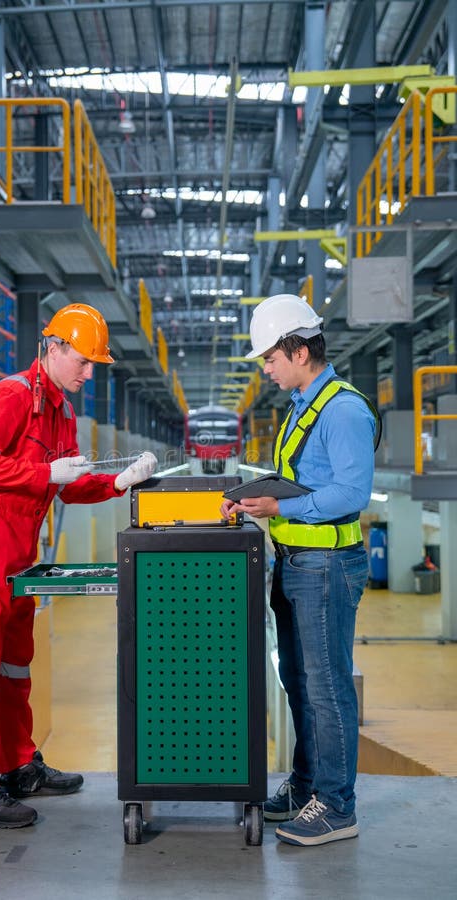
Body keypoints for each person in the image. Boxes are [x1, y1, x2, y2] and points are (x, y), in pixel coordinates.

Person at [0, 303, 157, 829]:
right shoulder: (11, 396)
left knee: (15, 668)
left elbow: (69, 484)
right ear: (53, 349)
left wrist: (118, 482)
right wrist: (44, 474)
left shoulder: (62, 412)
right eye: (83, 362)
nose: (88, 374)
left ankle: (17, 766)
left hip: (18, 554)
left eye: (93, 365)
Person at [221, 293, 380, 847]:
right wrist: (252, 498)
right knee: (298, 681)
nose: (266, 368)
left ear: (299, 351)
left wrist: (280, 509)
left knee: (327, 687)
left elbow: (351, 492)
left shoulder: (343, 410)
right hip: (294, 563)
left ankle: (336, 807)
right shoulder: (300, 406)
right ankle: (308, 785)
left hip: (326, 567)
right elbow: (299, 477)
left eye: (270, 358)